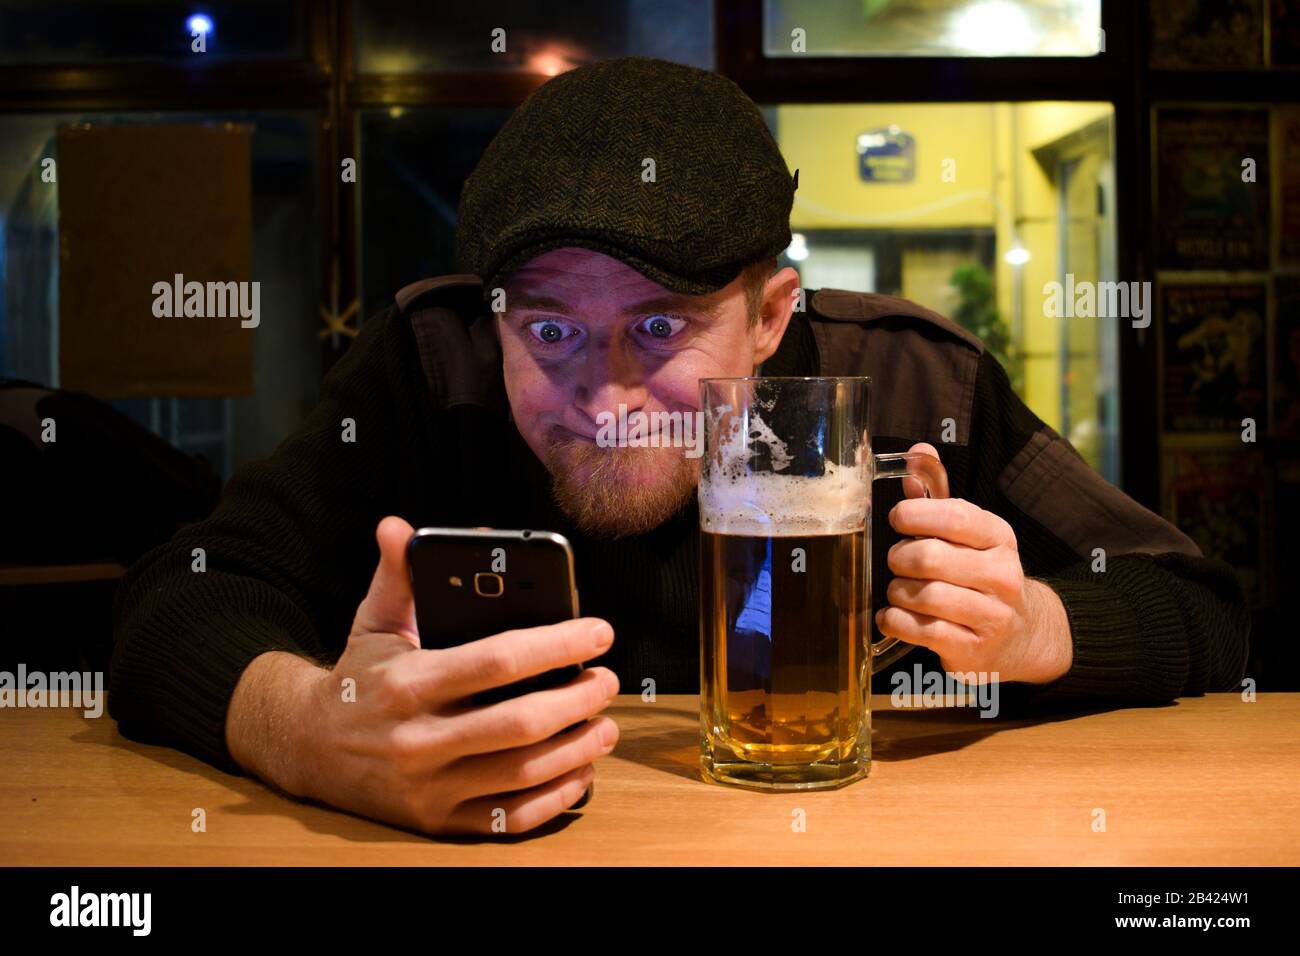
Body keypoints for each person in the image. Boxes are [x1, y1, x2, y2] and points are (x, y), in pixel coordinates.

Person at [108, 57, 1250, 837]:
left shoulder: (912, 380)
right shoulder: (428, 367)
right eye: (548, 328)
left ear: (767, 314)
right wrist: (307, 732)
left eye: (660, 324)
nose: (605, 397)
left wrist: (1037, 626)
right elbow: (177, 598)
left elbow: (1209, 609)